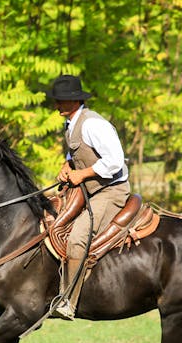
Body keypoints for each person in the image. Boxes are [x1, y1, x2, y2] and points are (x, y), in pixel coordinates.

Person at [45, 74, 131, 320]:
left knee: (77, 238)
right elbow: (78, 151)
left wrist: (82, 173)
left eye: (61, 100)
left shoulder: (94, 124)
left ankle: (68, 302)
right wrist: (67, 164)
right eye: (57, 100)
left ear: (74, 101)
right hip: (90, 191)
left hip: (110, 192)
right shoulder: (72, 123)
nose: (57, 104)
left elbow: (115, 161)